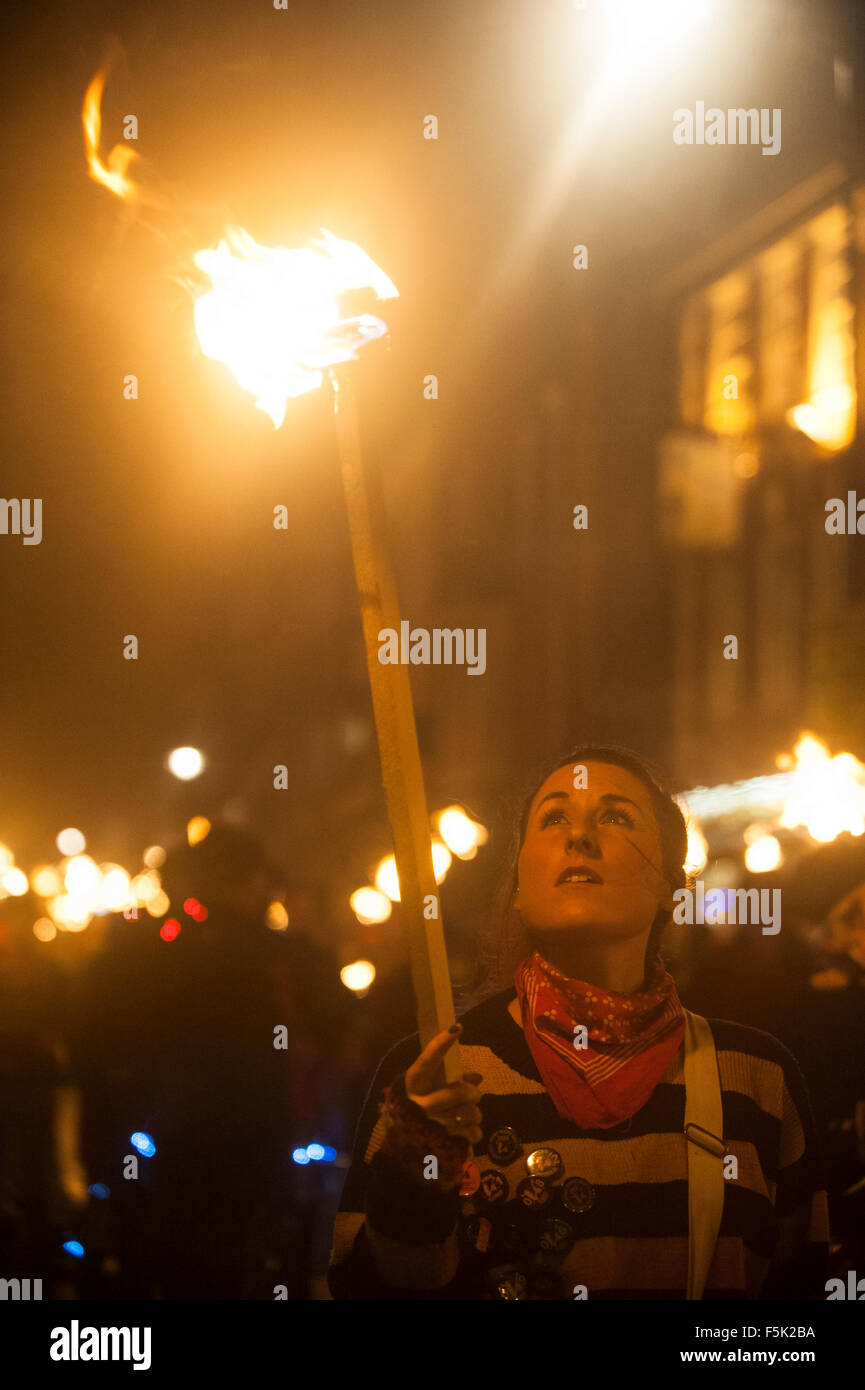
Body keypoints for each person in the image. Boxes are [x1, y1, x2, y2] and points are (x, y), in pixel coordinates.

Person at [328, 745, 830, 1300]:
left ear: (673, 887)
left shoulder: (755, 1079)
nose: (579, 837)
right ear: (518, 888)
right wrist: (415, 1170)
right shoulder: (432, 1076)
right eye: (553, 818)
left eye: (616, 817)